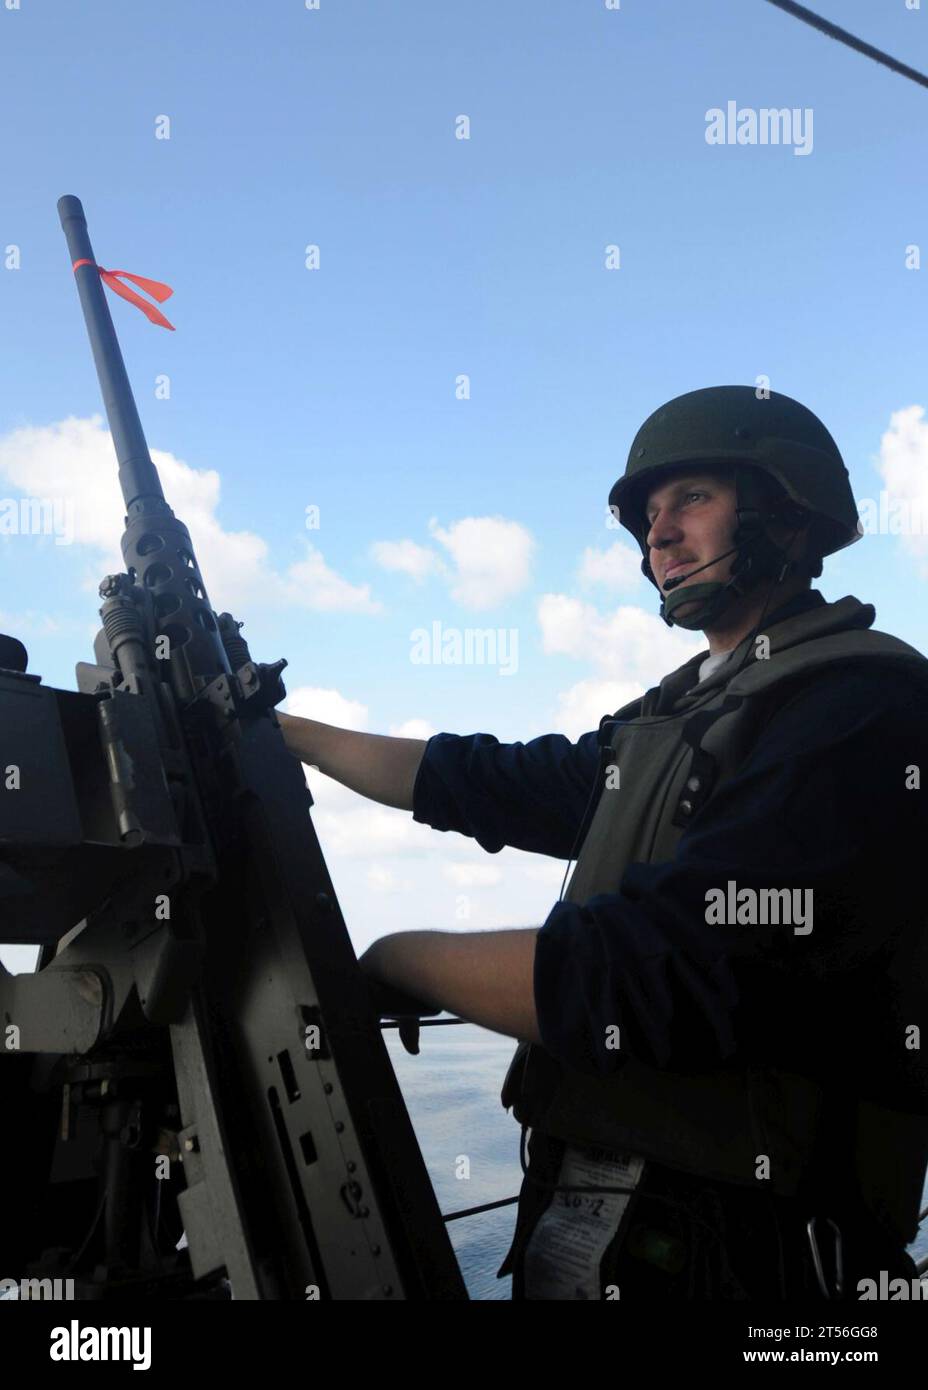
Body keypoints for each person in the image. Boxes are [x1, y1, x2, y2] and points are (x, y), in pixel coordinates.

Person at [277, 386, 928, 1300]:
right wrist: (284, 736)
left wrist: (395, 959)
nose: (657, 535)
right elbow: (490, 782)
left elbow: (655, 973)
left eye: (690, 498)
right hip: (602, 1218)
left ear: (786, 509)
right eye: (647, 516)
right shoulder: (684, 712)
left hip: (757, 1252)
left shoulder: (861, 709)